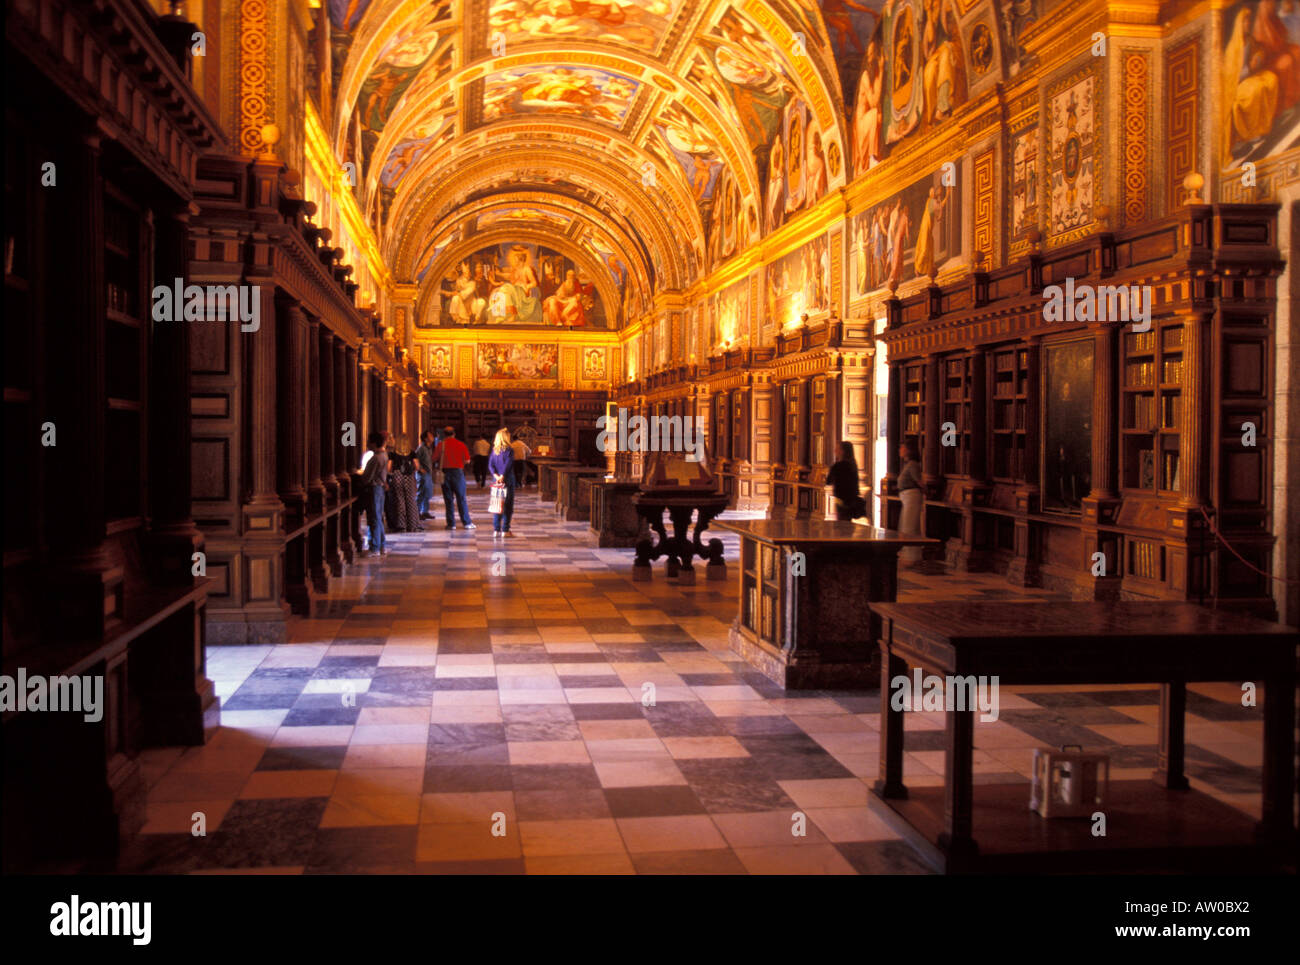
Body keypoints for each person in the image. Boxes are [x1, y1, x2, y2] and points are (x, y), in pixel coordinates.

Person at [431, 425, 474, 530]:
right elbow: (467, 460)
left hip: (445, 473)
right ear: (454, 434)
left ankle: (451, 524)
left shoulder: (441, 445)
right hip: (457, 473)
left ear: (444, 434)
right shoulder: (461, 445)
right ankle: (466, 523)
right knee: (461, 498)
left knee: (448, 499)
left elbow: (433, 459)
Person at [358, 431, 389, 556]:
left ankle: (374, 547)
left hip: (374, 489)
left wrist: (361, 478)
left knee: (374, 518)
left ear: (374, 443)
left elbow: (367, 477)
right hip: (380, 488)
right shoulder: (384, 455)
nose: (367, 444)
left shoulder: (376, 458)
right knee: (378, 517)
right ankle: (381, 546)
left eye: (369, 442)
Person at [897, 441, 924, 563]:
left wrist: (927, 491)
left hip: (911, 496)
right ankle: (910, 555)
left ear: (909, 450)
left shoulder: (912, 464)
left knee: (910, 527)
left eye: (902, 448)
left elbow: (919, 481)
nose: (900, 450)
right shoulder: (908, 464)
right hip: (906, 496)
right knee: (906, 525)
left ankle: (912, 557)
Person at [827, 441, 865, 521]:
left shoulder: (838, 465)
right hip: (851, 499)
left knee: (841, 523)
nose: (835, 451)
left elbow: (828, 481)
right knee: (847, 523)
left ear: (842, 451)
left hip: (841, 499)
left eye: (837, 449)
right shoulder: (853, 464)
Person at [488, 428, 516, 538]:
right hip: (507, 479)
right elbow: (508, 464)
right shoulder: (509, 450)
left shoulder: (495, 450)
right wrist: (502, 476)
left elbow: (490, 465)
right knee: (508, 505)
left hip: (496, 480)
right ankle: (505, 530)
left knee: (497, 504)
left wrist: (496, 476)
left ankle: (496, 530)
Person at [414, 430, 435, 520]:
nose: (432, 437)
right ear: (426, 438)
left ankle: (425, 511)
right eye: (430, 435)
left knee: (427, 493)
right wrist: (420, 469)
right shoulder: (421, 448)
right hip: (423, 474)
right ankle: (417, 512)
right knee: (421, 493)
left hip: (428, 473)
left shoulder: (429, 448)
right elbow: (415, 459)